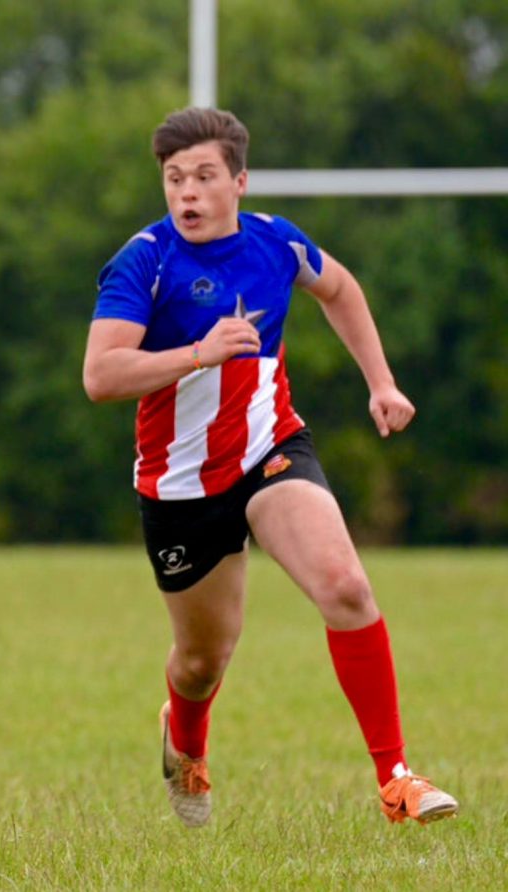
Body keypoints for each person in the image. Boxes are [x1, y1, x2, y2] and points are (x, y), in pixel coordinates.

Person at [83, 106, 458, 828]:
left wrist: (381, 382)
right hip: (182, 486)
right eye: (173, 179)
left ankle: (396, 779)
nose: (186, 194)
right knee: (202, 662)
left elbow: (340, 288)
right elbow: (100, 375)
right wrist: (197, 353)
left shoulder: (276, 243)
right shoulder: (144, 261)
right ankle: (186, 739)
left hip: (270, 452)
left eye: (202, 177)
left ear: (240, 182)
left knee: (346, 586)